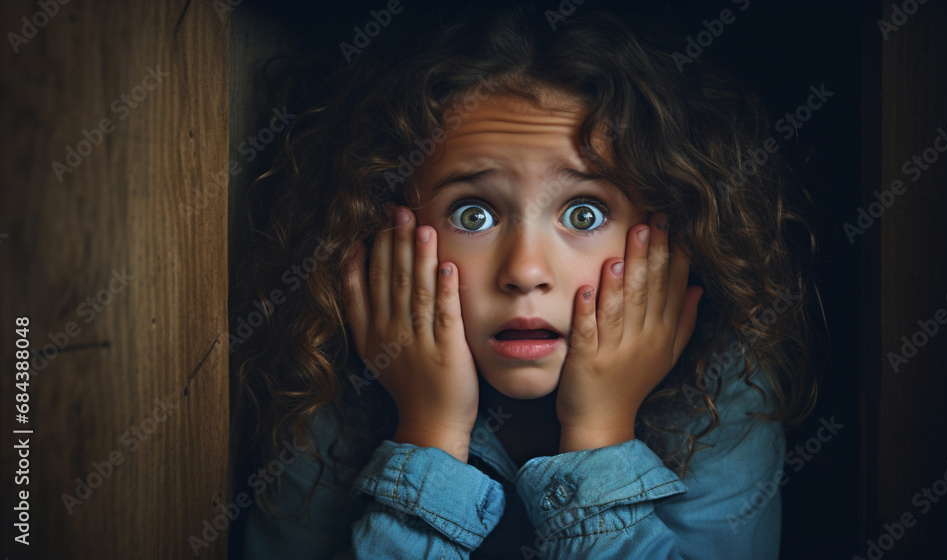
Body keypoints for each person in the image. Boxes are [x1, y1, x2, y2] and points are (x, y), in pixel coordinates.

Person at [230, 2, 819, 558]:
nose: (526, 273)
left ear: (667, 231)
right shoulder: (328, 376)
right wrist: (429, 433)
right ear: (383, 227)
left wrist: (598, 434)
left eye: (584, 214)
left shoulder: (722, 385)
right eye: (474, 214)